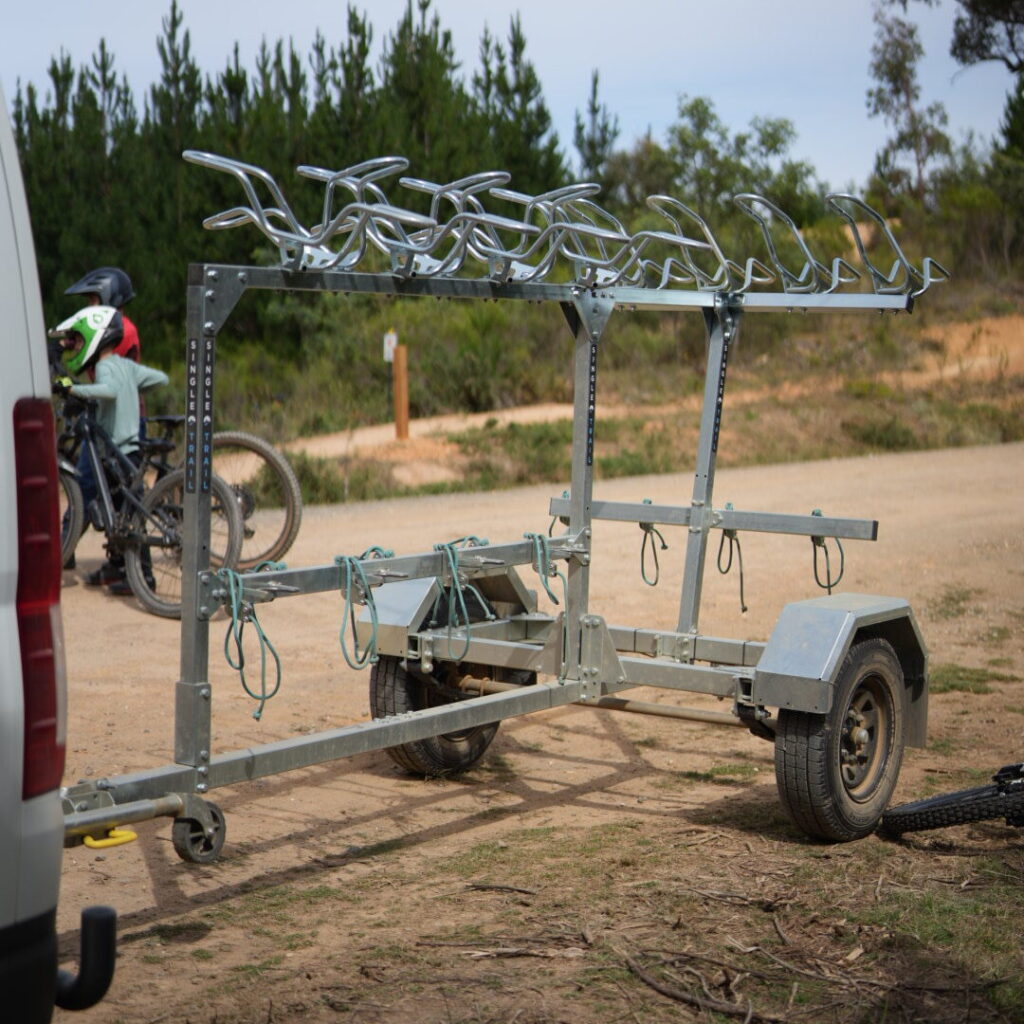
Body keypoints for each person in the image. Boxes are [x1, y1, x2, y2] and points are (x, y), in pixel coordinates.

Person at [52, 304, 168, 595]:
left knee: (130, 514)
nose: (75, 347)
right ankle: (129, 571)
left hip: (116, 450)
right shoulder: (125, 365)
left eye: (78, 341)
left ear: (94, 338)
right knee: (125, 512)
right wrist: (132, 387)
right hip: (131, 448)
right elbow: (160, 379)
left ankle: (143, 578)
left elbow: (109, 391)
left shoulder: (104, 366)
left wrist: (72, 389)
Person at [64, 266, 141, 363]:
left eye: (93, 301)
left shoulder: (123, 332)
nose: (89, 307)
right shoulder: (103, 330)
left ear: (109, 298)